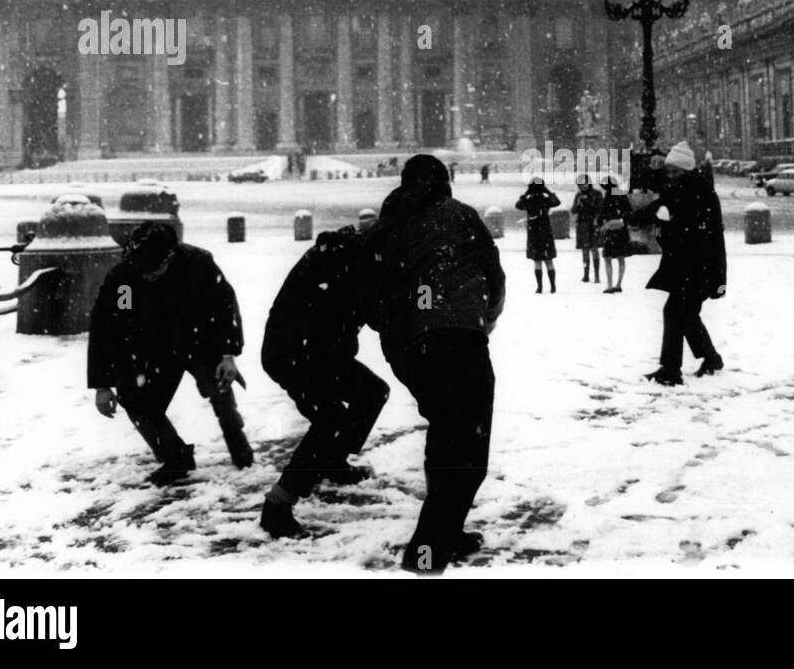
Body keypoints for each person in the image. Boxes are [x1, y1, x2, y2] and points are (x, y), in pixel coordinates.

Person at [366, 155, 505, 574]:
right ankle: (426, 556)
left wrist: (405, 324)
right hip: (457, 337)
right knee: (468, 450)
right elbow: (492, 272)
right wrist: (487, 315)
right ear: (444, 184)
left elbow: (369, 297)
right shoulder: (457, 215)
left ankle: (448, 531)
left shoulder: (383, 227)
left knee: (446, 430)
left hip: (409, 350)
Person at [87, 223, 252, 485]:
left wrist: (227, 354)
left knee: (220, 389)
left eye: (155, 269)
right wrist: (103, 383)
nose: (148, 276)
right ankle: (175, 457)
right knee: (136, 401)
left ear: (170, 257)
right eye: (143, 270)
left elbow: (224, 307)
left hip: (200, 341)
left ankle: (239, 446)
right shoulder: (126, 280)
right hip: (153, 350)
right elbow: (113, 326)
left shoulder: (198, 264)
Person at [258, 222, 390, 538]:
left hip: (316, 350)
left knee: (372, 392)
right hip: (294, 353)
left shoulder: (352, 255)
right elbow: (373, 313)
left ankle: (332, 461)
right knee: (330, 417)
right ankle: (278, 505)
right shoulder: (351, 262)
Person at [629, 142, 726, 385]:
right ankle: (710, 359)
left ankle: (672, 369)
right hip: (692, 263)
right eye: (668, 171)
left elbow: (671, 211)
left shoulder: (693, 189)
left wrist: (663, 224)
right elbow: (660, 202)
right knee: (686, 314)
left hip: (697, 263)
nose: (670, 176)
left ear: (685, 171)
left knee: (677, 312)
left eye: (674, 172)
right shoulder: (687, 186)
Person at [516, 176, 561, 293]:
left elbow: (518, 205)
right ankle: (553, 286)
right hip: (545, 231)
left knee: (537, 261)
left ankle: (539, 286)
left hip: (533, 232)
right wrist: (548, 192)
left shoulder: (529, 200)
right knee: (549, 260)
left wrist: (526, 193)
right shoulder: (545, 200)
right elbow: (556, 202)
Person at [596, 175, 631, 294]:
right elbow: (628, 212)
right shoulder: (621, 194)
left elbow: (602, 213)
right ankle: (618, 284)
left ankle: (610, 285)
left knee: (607, 258)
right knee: (621, 257)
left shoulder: (608, 196)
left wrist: (601, 224)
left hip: (610, 229)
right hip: (621, 229)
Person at [571, 173, 604, 283]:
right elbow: (573, 210)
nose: (583, 186)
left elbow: (600, 209)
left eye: (585, 183)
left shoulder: (597, 194)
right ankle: (586, 274)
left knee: (594, 249)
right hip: (582, 224)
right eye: (580, 184)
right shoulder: (578, 195)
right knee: (585, 250)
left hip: (593, 224)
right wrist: (579, 203)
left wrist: (589, 203)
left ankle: (597, 275)